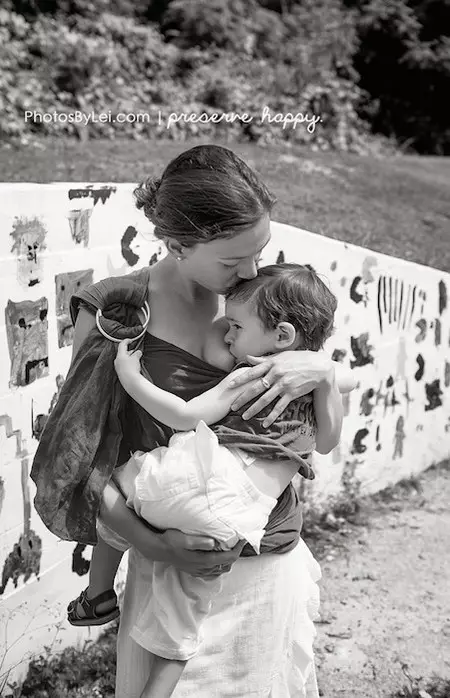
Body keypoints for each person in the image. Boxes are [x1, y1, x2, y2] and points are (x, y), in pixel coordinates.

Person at [68, 144, 355, 698]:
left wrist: (319, 366)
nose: (252, 271)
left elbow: (331, 385)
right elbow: (84, 459)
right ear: (177, 244)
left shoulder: (263, 297)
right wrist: (156, 547)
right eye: (232, 262)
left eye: (260, 252)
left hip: (271, 562)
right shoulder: (114, 313)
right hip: (172, 572)